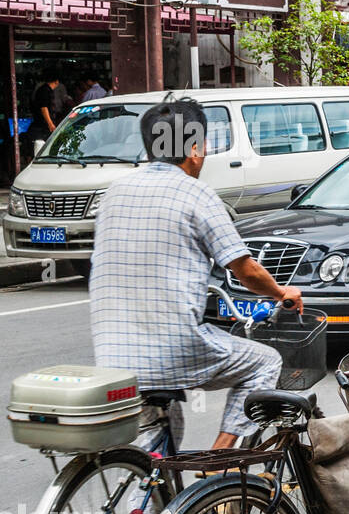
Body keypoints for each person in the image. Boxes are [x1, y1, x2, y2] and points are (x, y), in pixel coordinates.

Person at [89, 99, 303, 451]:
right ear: (194, 148)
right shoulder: (196, 193)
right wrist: (281, 294)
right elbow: (245, 269)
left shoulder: (115, 192)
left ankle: (147, 503)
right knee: (265, 362)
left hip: (113, 359)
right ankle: (220, 458)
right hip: (172, 351)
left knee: (154, 453)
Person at [30, 69, 61, 139]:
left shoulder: (46, 89)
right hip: (42, 125)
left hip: (44, 124)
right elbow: (44, 108)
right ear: (56, 81)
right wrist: (50, 124)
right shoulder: (44, 90)